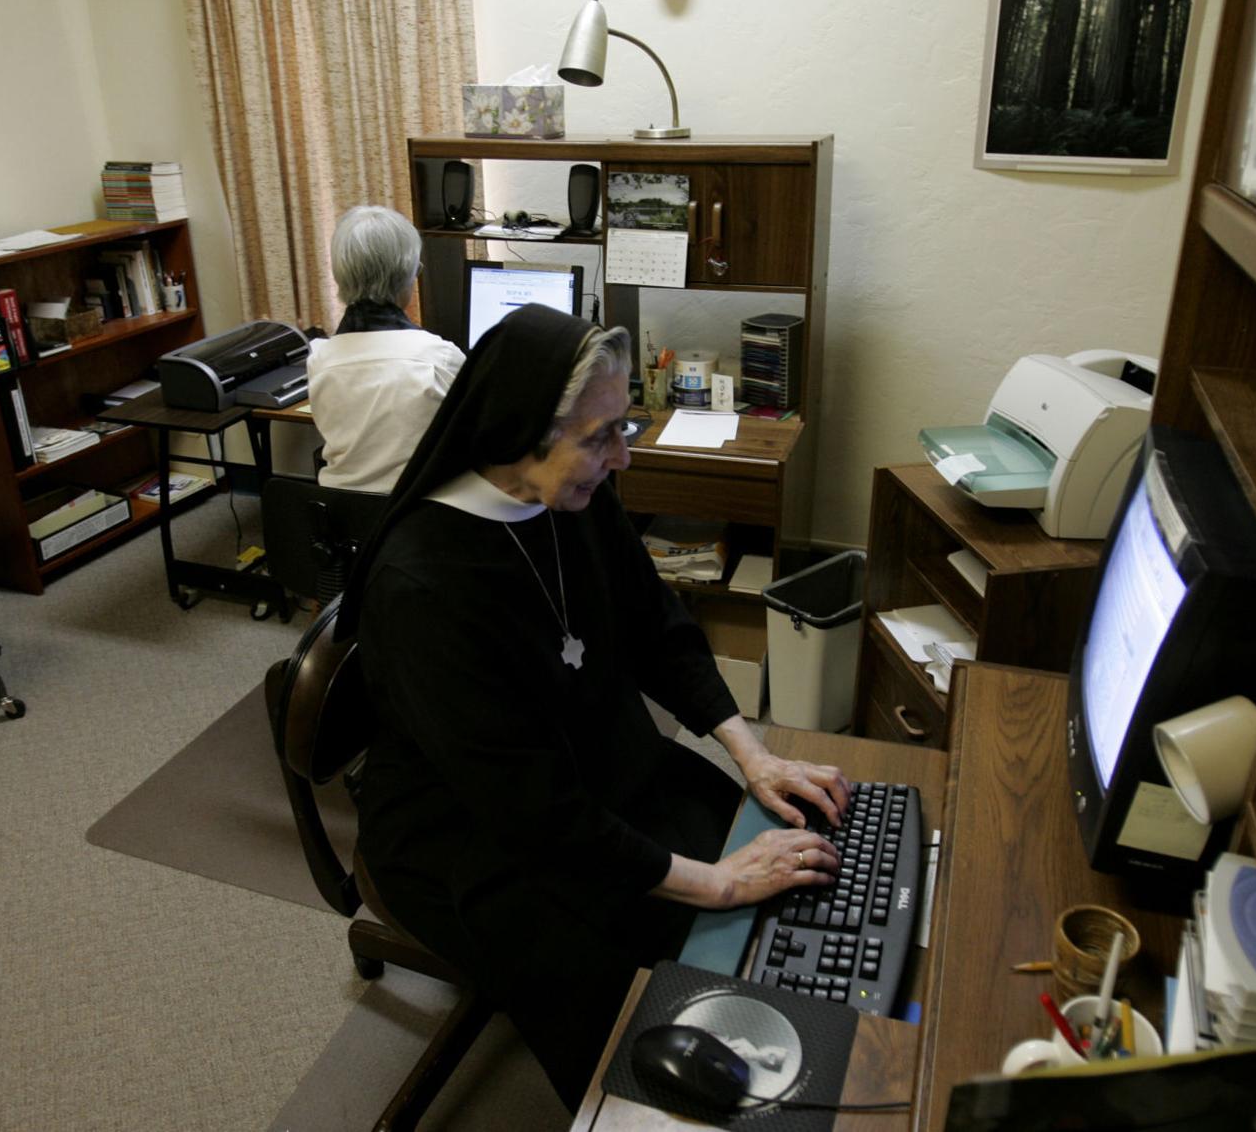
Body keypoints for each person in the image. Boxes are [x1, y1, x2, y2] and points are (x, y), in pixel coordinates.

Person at [339, 304, 851, 1110]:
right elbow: (531, 814)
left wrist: (752, 753)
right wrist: (714, 884)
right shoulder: (423, 587)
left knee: (773, 845)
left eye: (624, 429)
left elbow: (658, 628)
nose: (619, 458)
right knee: (625, 993)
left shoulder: (570, 495)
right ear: (520, 432)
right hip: (469, 839)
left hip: (591, 766)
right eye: (599, 436)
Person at [305, 204, 463, 492]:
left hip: (342, 516)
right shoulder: (439, 358)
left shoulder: (320, 358)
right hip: (416, 515)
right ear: (408, 274)